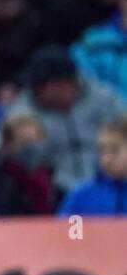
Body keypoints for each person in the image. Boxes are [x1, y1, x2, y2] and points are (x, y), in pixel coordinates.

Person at [9, 45, 125, 194]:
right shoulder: (25, 110)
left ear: (62, 84)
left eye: (39, 86)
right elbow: (17, 158)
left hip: (109, 185)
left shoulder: (106, 100)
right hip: (52, 193)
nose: (33, 91)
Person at [58, 116, 127, 216]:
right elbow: (61, 230)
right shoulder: (81, 195)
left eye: (114, 150)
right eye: (102, 150)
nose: (106, 159)